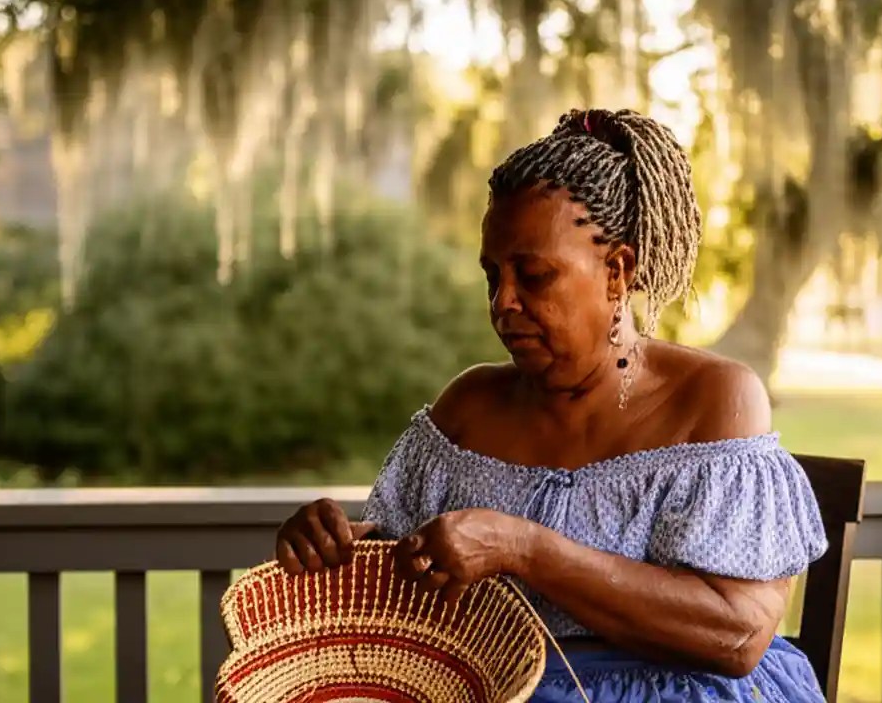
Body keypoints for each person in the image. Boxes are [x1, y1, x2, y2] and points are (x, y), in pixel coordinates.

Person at [274, 108, 828, 702]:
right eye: (492, 277)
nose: (502, 303)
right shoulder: (467, 409)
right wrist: (333, 547)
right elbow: (400, 585)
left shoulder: (714, 402)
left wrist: (524, 548)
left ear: (618, 270)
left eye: (534, 275)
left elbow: (737, 635)